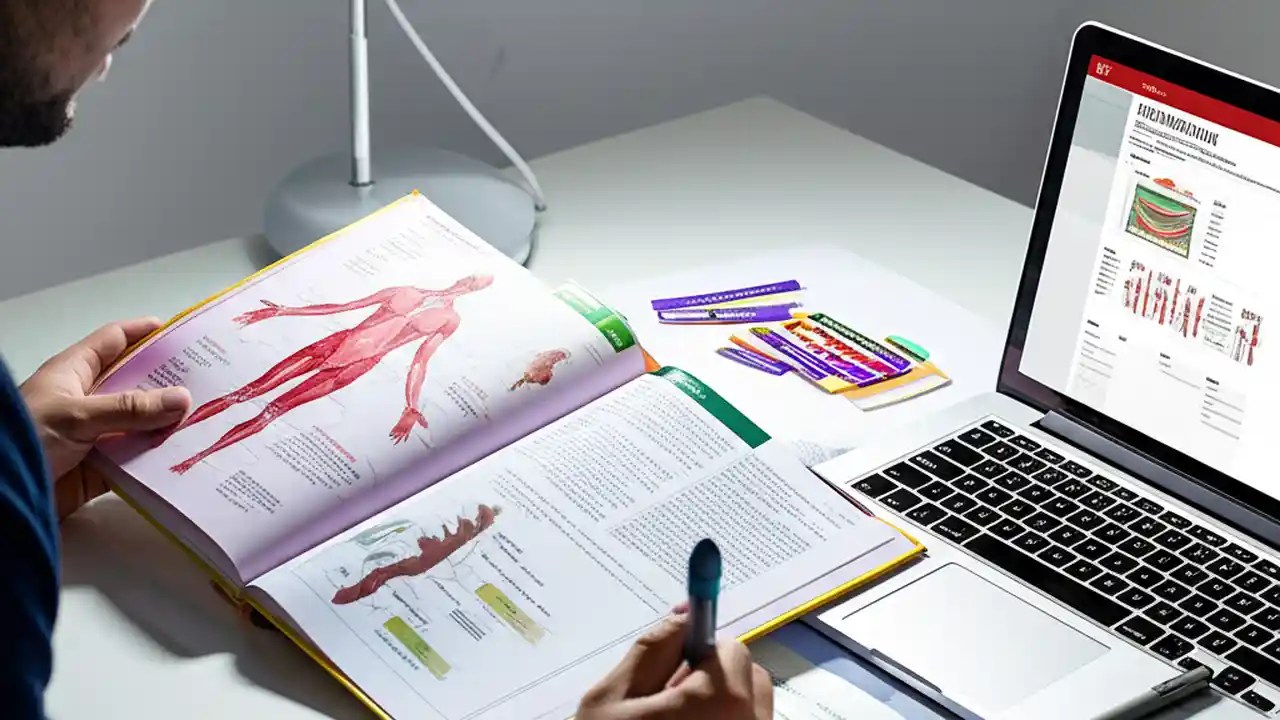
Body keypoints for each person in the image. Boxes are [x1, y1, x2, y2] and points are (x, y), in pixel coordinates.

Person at [0, 1, 773, 717]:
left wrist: (13, 455)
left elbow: (410, 368)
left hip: (346, 371)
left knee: (262, 407)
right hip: (333, 349)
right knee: (253, 401)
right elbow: (345, 310)